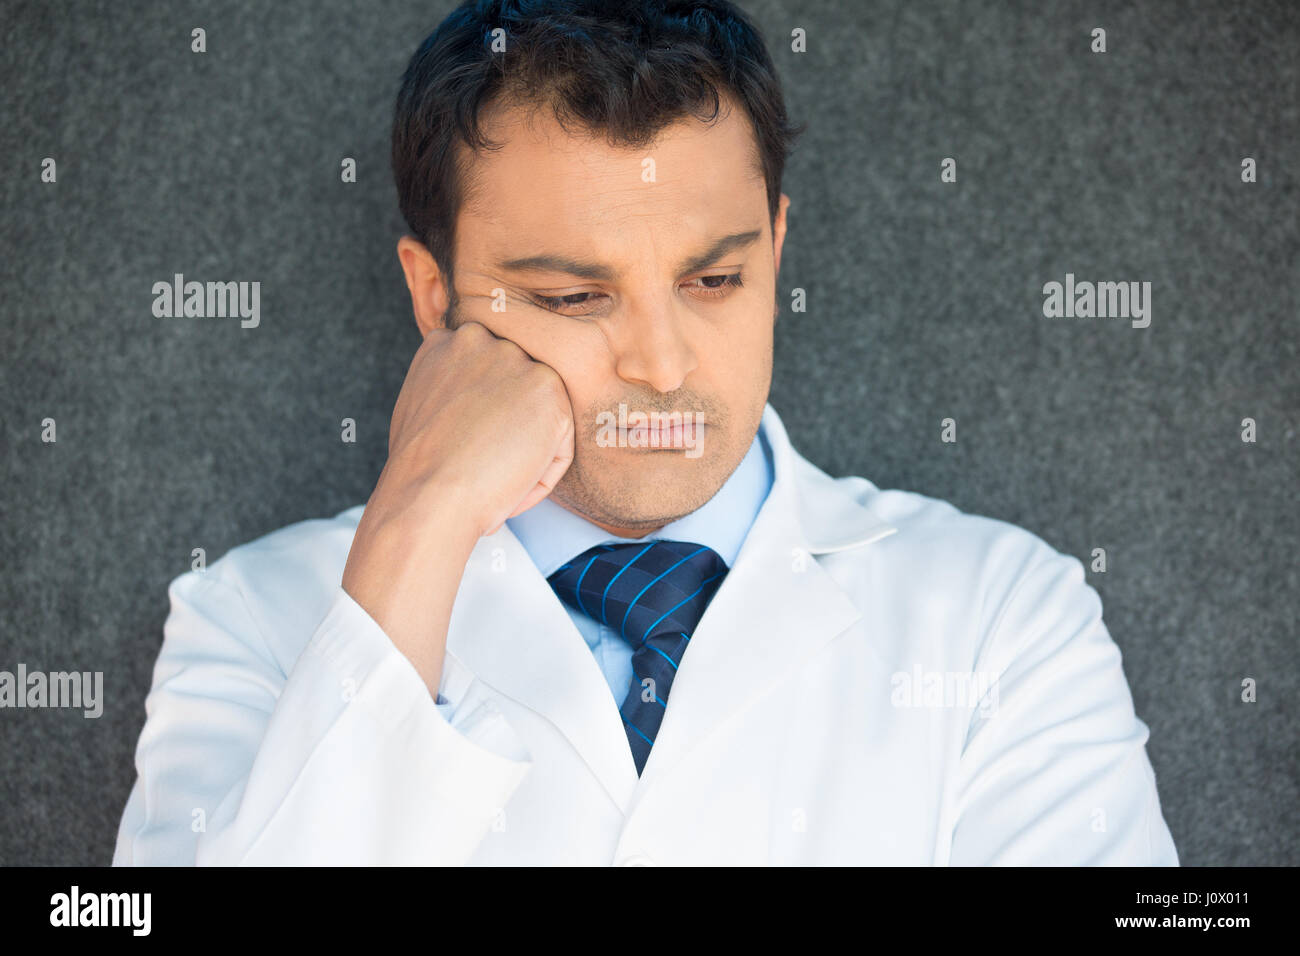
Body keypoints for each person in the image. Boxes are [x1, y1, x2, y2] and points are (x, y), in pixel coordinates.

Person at [112, 0, 1178, 866]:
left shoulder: (1002, 617)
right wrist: (422, 518)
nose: (662, 366)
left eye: (715, 279)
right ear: (435, 298)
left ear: (777, 247)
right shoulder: (251, 619)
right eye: (575, 298)